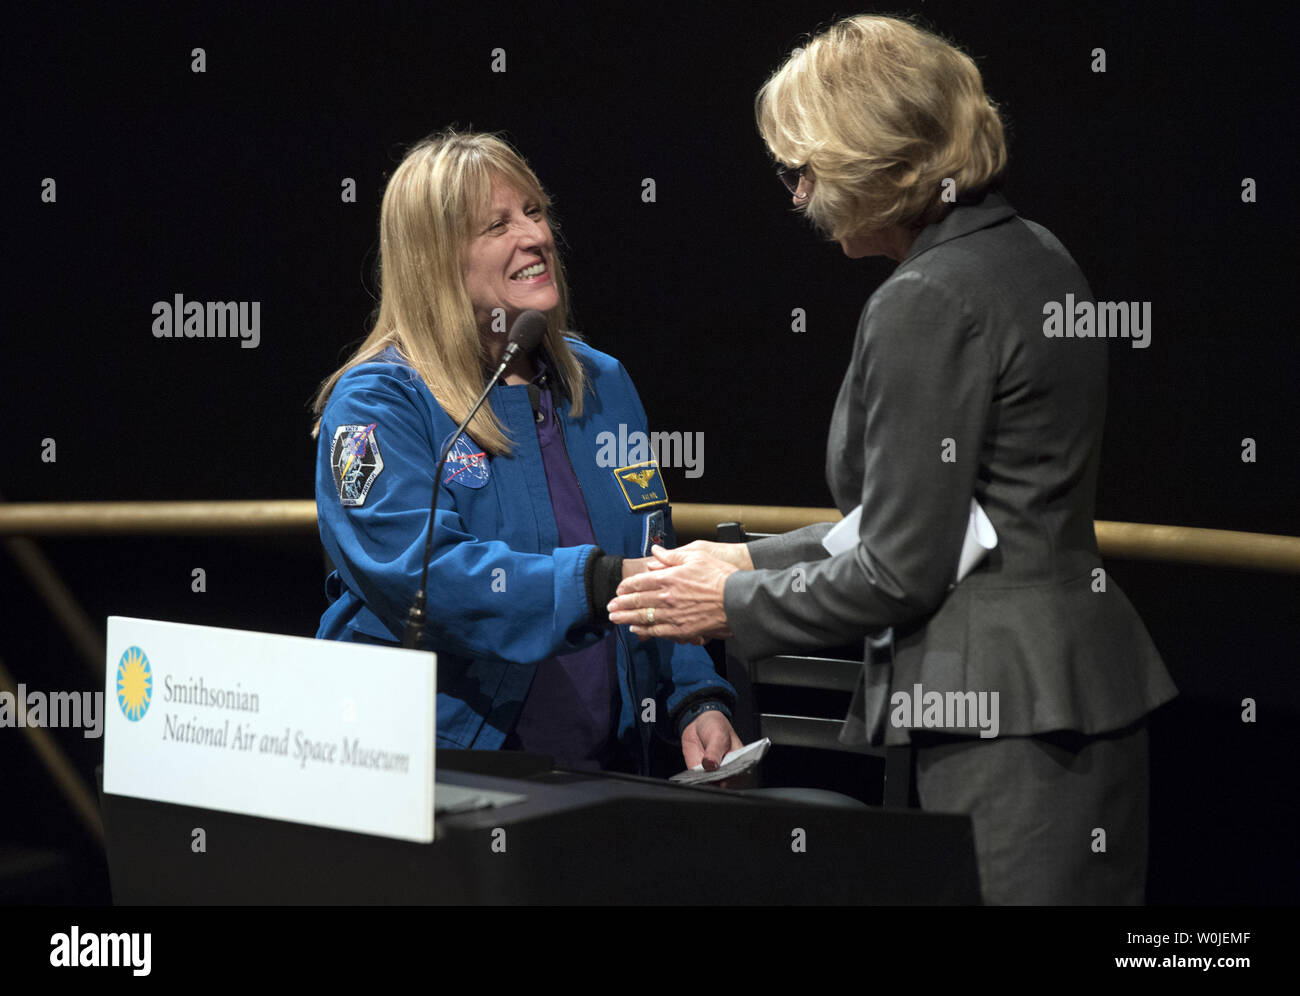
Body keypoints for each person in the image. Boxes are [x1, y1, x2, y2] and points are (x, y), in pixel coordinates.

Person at [609, 15, 1177, 903]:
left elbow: (902, 568)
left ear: (876, 161)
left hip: (1002, 719)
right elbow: (940, 517)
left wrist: (727, 603)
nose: (796, 199)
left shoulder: (924, 298)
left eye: (805, 172)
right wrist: (749, 557)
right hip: (1069, 695)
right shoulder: (1034, 255)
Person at [312, 130, 740, 775]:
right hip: (439, 769)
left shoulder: (604, 386)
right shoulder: (376, 404)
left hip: (609, 770)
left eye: (534, 212)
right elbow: (426, 578)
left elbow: (657, 563)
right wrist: (595, 585)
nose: (534, 237)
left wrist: (694, 699)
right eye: (496, 225)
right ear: (433, 259)